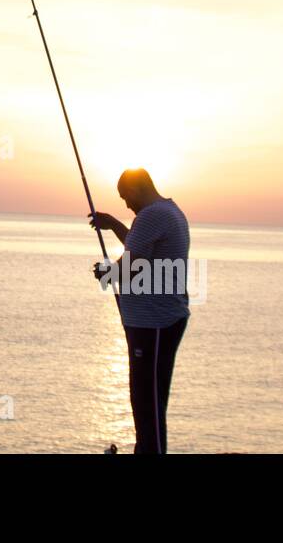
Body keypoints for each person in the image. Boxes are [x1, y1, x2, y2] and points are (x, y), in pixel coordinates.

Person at [90, 168, 190, 454]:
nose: (126, 205)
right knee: (150, 398)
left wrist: (106, 274)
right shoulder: (167, 211)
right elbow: (141, 249)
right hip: (159, 320)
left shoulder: (151, 215)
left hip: (154, 323)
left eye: (125, 197)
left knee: (147, 401)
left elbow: (131, 265)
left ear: (135, 190)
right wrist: (114, 225)